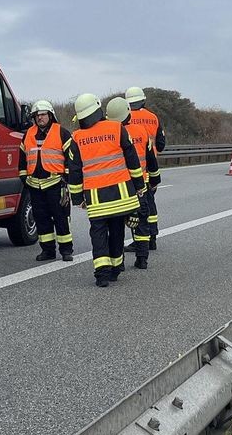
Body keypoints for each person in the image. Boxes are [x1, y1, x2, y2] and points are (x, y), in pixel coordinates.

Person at [66, 93, 143, 287]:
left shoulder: (77, 137)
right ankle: (115, 269)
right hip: (121, 195)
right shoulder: (117, 128)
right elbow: (132, 161)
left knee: (98, 234)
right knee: (117, 231)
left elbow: (74, 171)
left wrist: (76, 198)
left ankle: (101, 274)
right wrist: (140, 186)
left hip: (96, 198)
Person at [106, 97, 160, 269]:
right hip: (141, 184)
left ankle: (117, 260)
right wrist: (154, 179)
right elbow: (151, 158)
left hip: (120, 185)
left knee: (117, 224)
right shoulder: (142, 131)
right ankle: (142, 259)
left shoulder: (112, 133)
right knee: (141, 222)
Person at [18, 100, 75, 262]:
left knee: (61, 218)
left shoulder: (62, 133)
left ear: (50, 115)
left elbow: (71, 158)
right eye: (37, 115)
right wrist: (24, 177)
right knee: (41, 220)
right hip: (34, 185)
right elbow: (22, 159)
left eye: (43, 114)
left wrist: (66, 178)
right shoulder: (28, 134)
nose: (40, 118)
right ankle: (48, 251)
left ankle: (66, 250)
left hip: (56, 183)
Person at [125, 86, 165, 250]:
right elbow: (161, 145)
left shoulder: (124, 118)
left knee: (136, 207)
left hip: (132, 170)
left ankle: (140, 240)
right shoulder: (153, 117)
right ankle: (153, 237)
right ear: (143, 100)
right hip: (150, 167)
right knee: (150, 204)